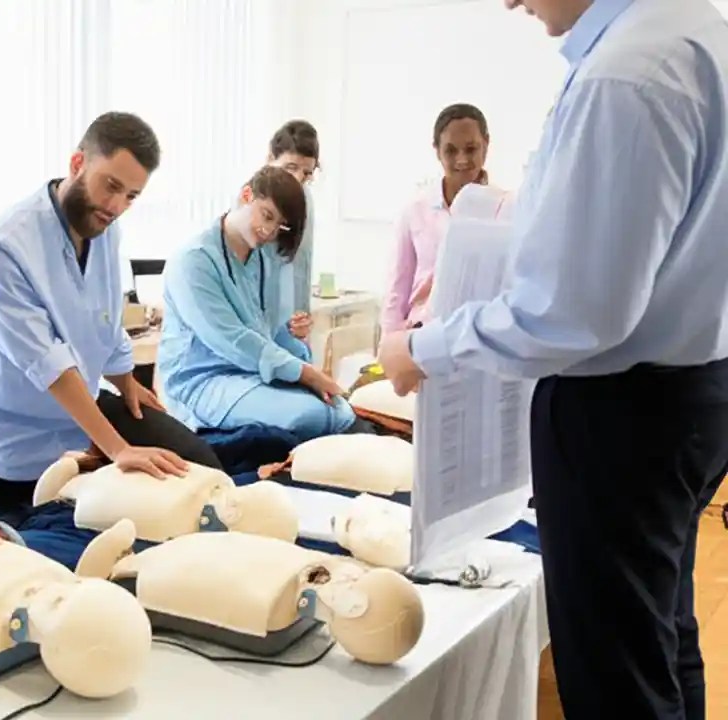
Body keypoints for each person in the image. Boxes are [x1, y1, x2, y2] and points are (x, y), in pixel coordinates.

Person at [379, 0, 728, 717]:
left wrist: (423, 347)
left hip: (623, 412)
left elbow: (573, 311)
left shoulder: (627, 74)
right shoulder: (698, 34)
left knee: (616, 673)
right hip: (697, 390)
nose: (510, 1)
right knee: (664, 634)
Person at [0, 112, 218, 524]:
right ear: (77, 163)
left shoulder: (104, 228)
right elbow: (47, 364)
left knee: (198, 468)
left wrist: (127, 383)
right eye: (111, 186)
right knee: (65, 539)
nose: (117, 206)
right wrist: (119, 448)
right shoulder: (5, 245)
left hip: (84, 424)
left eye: (132, 196)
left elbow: (106, 318)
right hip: (19, 445)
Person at [158, 166, 355, 440]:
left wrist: (304, 360)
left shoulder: (262, 260)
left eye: (279, 225)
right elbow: (233, 339)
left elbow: (269, 330)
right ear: (246, 195)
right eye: (267, 215)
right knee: (313, 415)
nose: (269, 231)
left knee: (340, 410)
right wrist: (304, 374)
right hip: (203, 383)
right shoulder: (193, 261)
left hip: (251, 376)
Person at [381, 103, 504, 334]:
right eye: (450, 150)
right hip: (421, 336)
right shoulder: (415, 209)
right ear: (437, 150)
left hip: (479, 338)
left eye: (471, 149)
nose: (461, 160)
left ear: (486, 144)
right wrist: (388, 348)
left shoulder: (502, 209)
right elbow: (397, 288)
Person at [264, 120, 322, 341]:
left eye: (307, 173)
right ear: (271, 158)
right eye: (291, 167)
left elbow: (301, 265)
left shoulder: (305, 198)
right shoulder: (250, 199)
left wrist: (302, 317)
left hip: (290, 327)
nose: (298, 179)